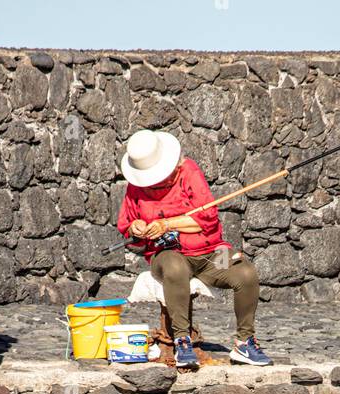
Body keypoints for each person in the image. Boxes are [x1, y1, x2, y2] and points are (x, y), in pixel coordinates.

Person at [116, 129, 272, 369]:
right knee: (175, 266)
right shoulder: (135, 187)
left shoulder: (189, 172)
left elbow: (207, 218)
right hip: (168, 254)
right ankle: (182, 342)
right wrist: (136, 228)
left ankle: (245, 343)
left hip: (210, 251)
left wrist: (167, 223)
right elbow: (128, 226)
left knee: (245, 272)